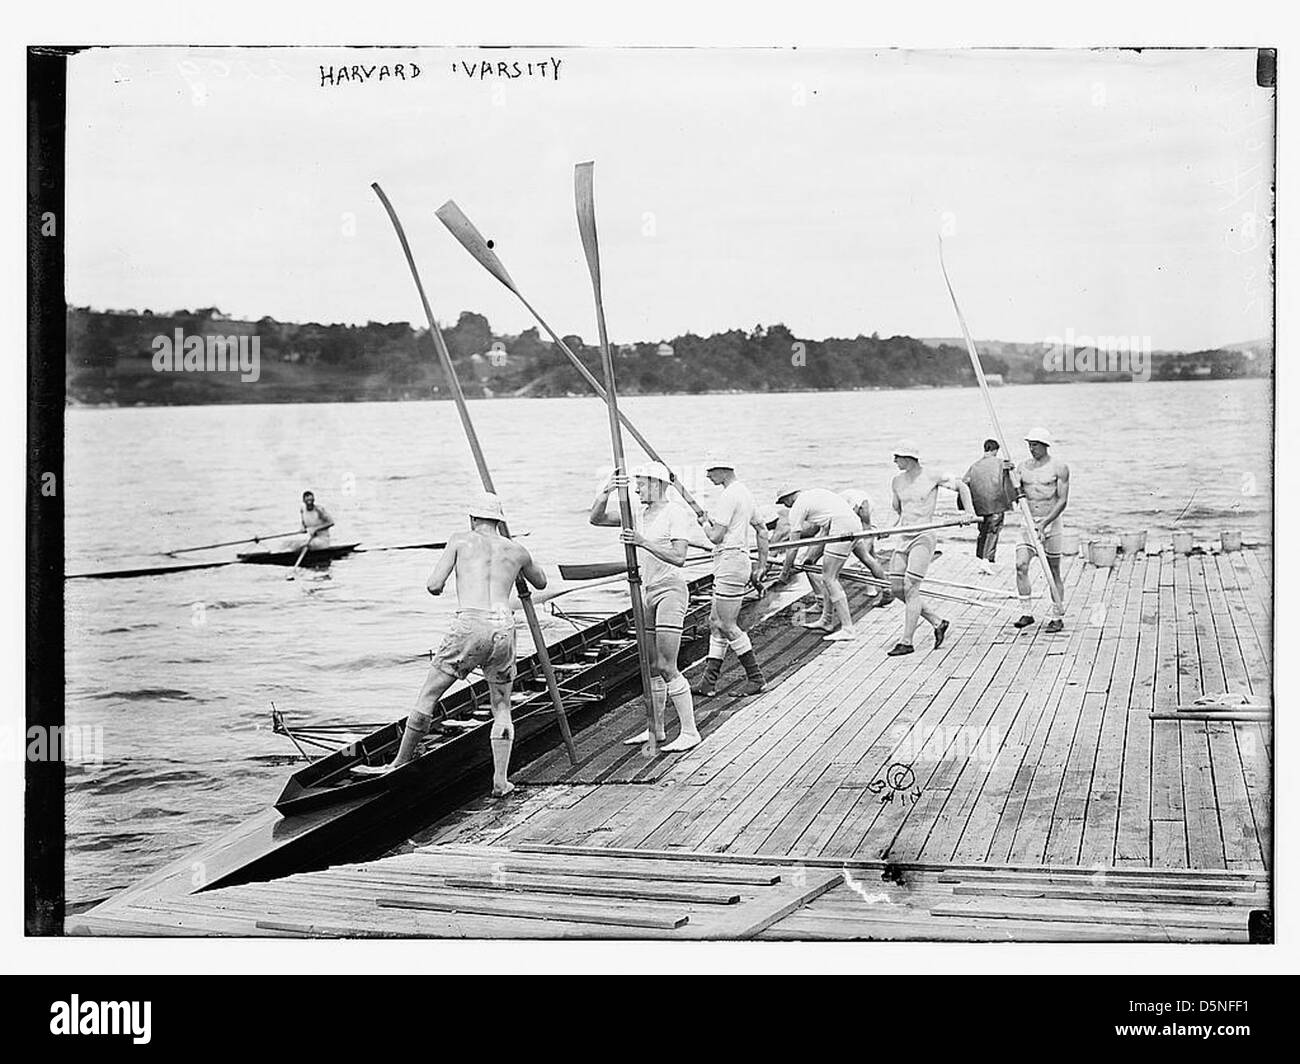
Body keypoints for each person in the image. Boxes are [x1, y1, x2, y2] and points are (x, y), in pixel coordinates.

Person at [355, 492, 543, 797]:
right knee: (501, 707)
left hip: (469, 624)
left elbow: (434, 585)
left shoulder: (460, 540)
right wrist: (517, 565)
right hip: (503, 627)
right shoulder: (516, 549)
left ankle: (400, 762)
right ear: (500, 521)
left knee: (428, 695)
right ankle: (500, 781)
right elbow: (542, 582)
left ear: (472, 518)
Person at [590, 463, 701, 751]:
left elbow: (679, 557)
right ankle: (657, 729)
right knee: (651, 666)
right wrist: (606, 490)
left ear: (657, 483)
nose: (637, 489)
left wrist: (642, 542)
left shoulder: (675, 512)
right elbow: (596, 519)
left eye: (641, 483)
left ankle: (690, 731)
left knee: (666, 664)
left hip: (670, 590)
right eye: (636, 483)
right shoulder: (638, 513)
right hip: (646, 591)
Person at [886, 440, 974, 656]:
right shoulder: (897, 481)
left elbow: (962, 486)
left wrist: (968, 512)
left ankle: (906, 641)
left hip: (923, 537)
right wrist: (886, 529)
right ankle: (937, 622)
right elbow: (897, 511)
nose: (894, 461)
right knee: (896, 588)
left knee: (911, 588)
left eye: (897, 457)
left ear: (909, 458)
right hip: (903, 537)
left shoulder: (932, 476)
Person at [692, 456, 770, 697]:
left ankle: (756, 677)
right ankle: (709, 682)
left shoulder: (729, 495)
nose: (707, 476)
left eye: (710, 471)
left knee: (727, 624)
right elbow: (762, 530)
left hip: (731, 561)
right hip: (736, 560)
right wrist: (761, 566)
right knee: (715, 623)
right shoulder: (743, 492)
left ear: (723, 470)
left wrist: (704, 523)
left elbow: (715, 537)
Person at [774, 486, 869, 641]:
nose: (785, 506)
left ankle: (848, 629)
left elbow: (793, 546)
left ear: (789, 497)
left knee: (829, 578)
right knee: (827, 576)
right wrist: (810, 558)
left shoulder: (797, 506)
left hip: (842, 529)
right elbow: (824, 531)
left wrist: (784, 573)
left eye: (783, 502)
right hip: (851, 524)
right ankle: (826, 620)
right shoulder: (815, 494)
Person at [1012, 426, 1070, 633]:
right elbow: (1011, 496)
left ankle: (1056, 615)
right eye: (1029, 445)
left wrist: (1044, 523)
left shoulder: (1059, 467)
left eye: (1035, 445)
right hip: (1027, 522)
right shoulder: (1021, 468)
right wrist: (1006, 476)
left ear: (1045, 446)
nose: (1031, 449)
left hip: (1051, 523)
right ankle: (1026, 613)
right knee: (1020, 565)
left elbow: (1062, 501)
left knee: (1052, 570)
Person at [963, 440, 1013, 567]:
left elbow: (964, 483)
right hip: (996, 503)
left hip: (980, 505)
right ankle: (987, 560)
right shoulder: (1001, 463)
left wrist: (964, 506)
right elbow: (1011, 479)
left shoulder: (974, 466)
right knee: (993, 531)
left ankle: (980, 558)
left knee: (983, 531)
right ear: (996, 450)